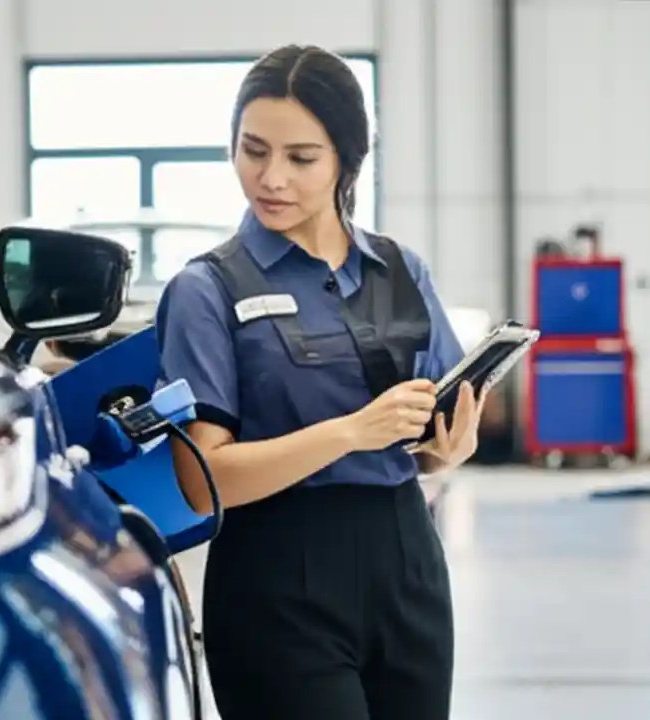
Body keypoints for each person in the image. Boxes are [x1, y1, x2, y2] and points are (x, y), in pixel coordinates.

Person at [154, 44, 487, 720]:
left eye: (301, 158)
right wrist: (350, 432)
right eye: (253, 151)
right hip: (276, 577)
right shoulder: (206, 290)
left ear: (346, 160)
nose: (271, 178)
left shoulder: (401, 271)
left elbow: (431, 435)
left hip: (407, 564)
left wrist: (445, 448)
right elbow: (202, 480)